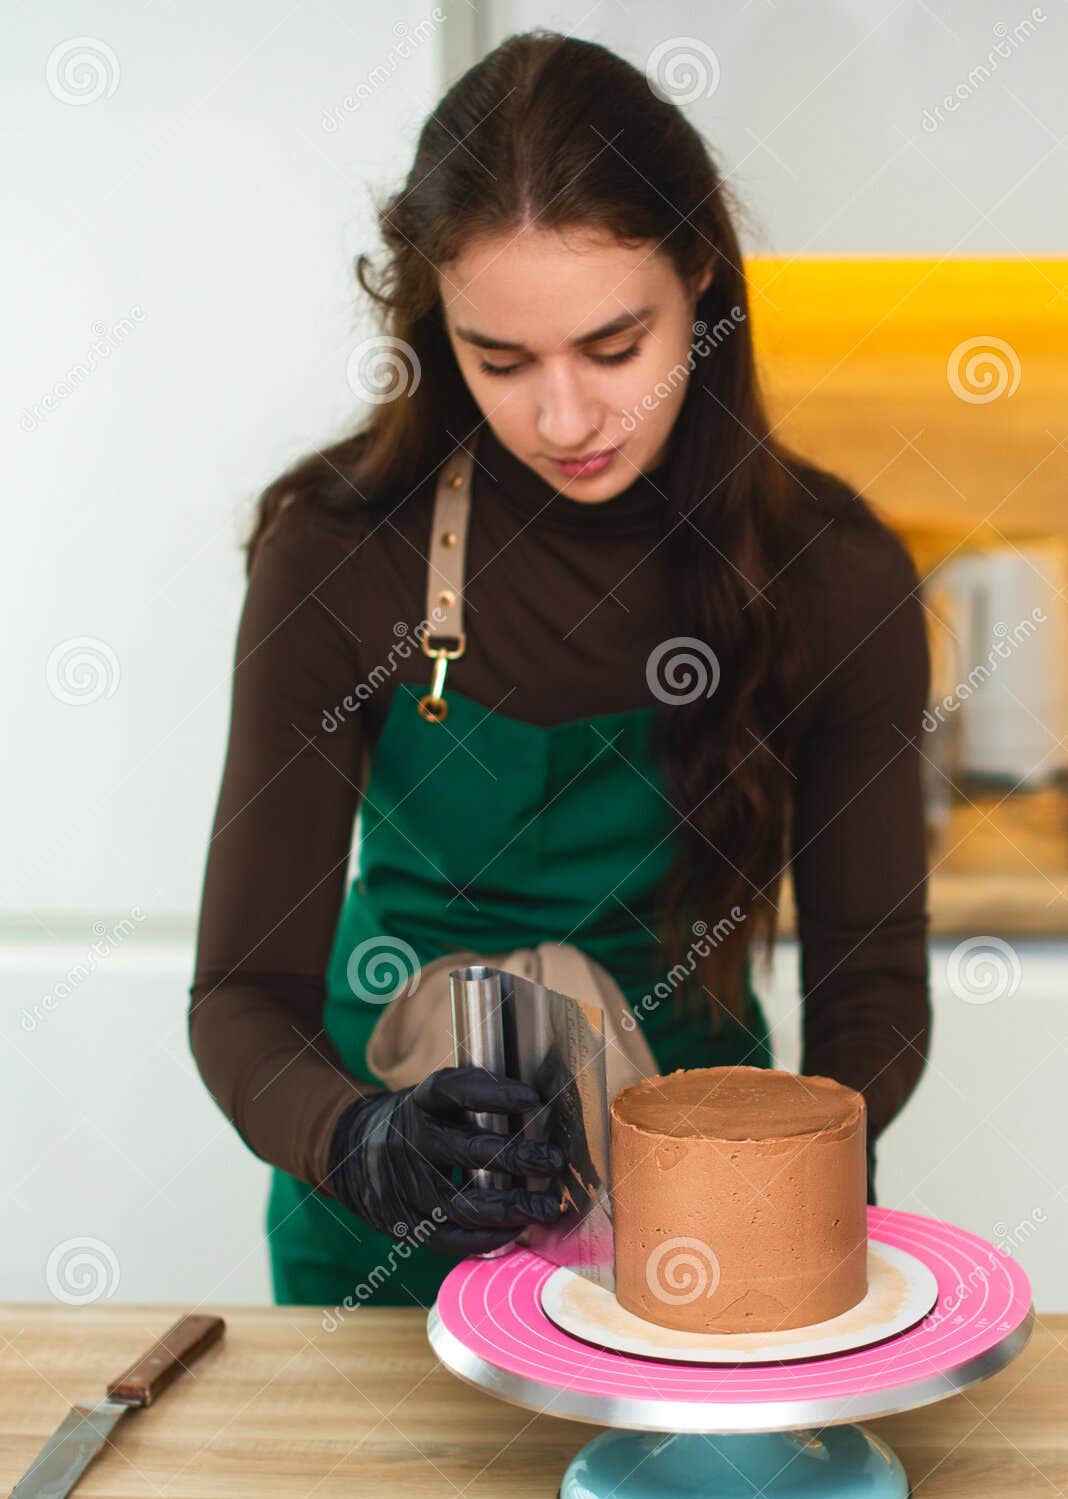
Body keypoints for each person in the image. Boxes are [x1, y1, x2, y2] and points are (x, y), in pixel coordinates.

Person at [188, 31, 931, 1310]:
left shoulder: (834, 573)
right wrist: (364, 1144)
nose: (566, 419)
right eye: (501, 362)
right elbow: (243, 997)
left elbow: (872, 992)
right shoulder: (338, 557)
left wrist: (762, 1184)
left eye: (613, 346)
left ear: (700, 277)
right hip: (382, 1244)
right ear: (438, 325)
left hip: (703, 1229)